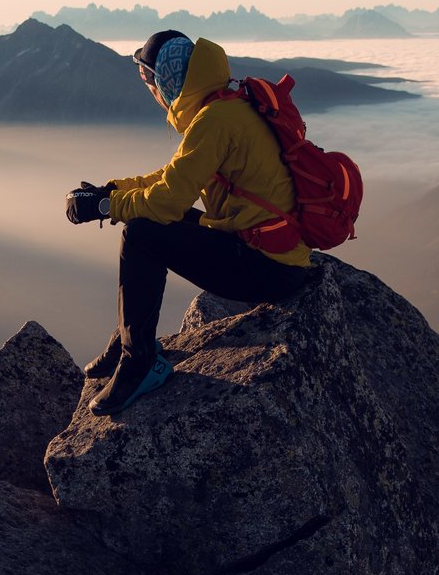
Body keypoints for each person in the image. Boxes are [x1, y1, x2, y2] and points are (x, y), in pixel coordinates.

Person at [65, 29, 317, 416]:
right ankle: (129, 337)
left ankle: (139, 362)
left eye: (149, 82)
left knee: (141, 233)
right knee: (151, 218)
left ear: (167, 82)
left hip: (268, 270)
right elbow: (174, 178)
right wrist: (111, 190)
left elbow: (167, 199)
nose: (151, 93)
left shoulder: (213, 121)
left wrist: (104, 206)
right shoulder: (228, 105)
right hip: (271, 254)